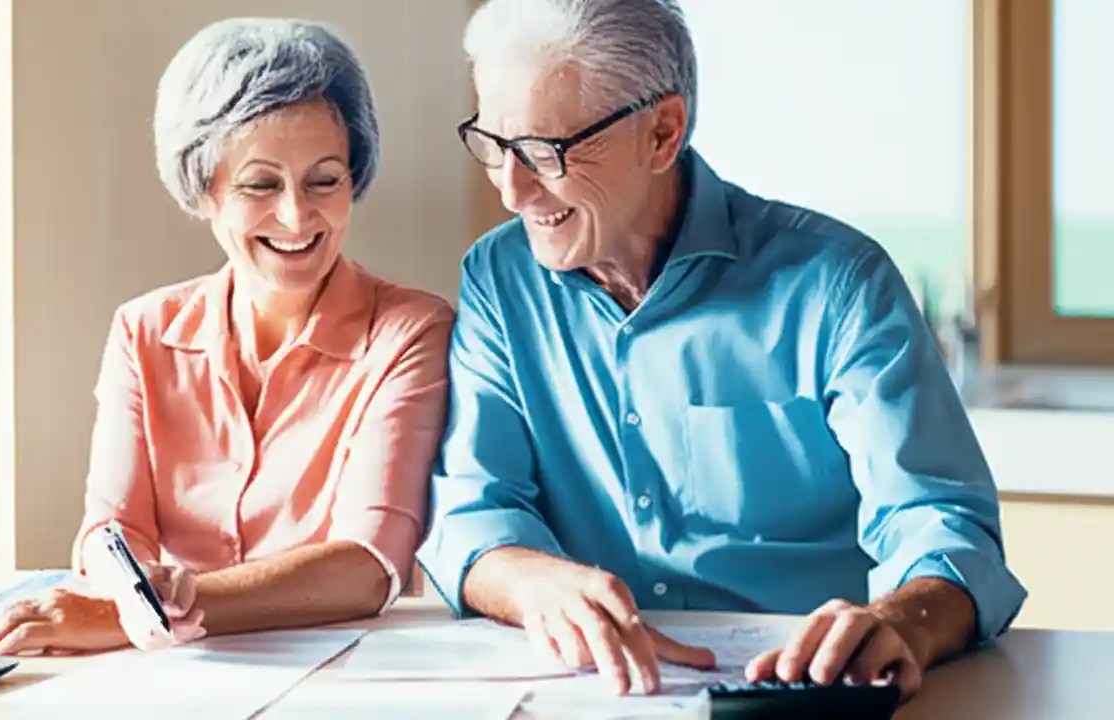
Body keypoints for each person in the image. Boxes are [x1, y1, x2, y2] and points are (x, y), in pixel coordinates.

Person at [417, 0, 1025, 699]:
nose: (512, 189)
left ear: (662, 133)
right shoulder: (499, 280)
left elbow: (941, 525)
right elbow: (472, 512)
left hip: (802, 695)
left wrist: (899, 622)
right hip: (590, 694)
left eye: (546, 153)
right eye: (494, 146)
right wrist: (535, 583)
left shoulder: (836, 285)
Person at [0, 17, 453, 656]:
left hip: (344, 678)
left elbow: (368, 565)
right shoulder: (143, 331)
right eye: (260, 184)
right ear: (204, 190)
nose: (296, 215)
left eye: (325, 180)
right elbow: (111, 529)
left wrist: (137, 616)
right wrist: (122, 587)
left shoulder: (411, 331)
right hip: (173, 676)